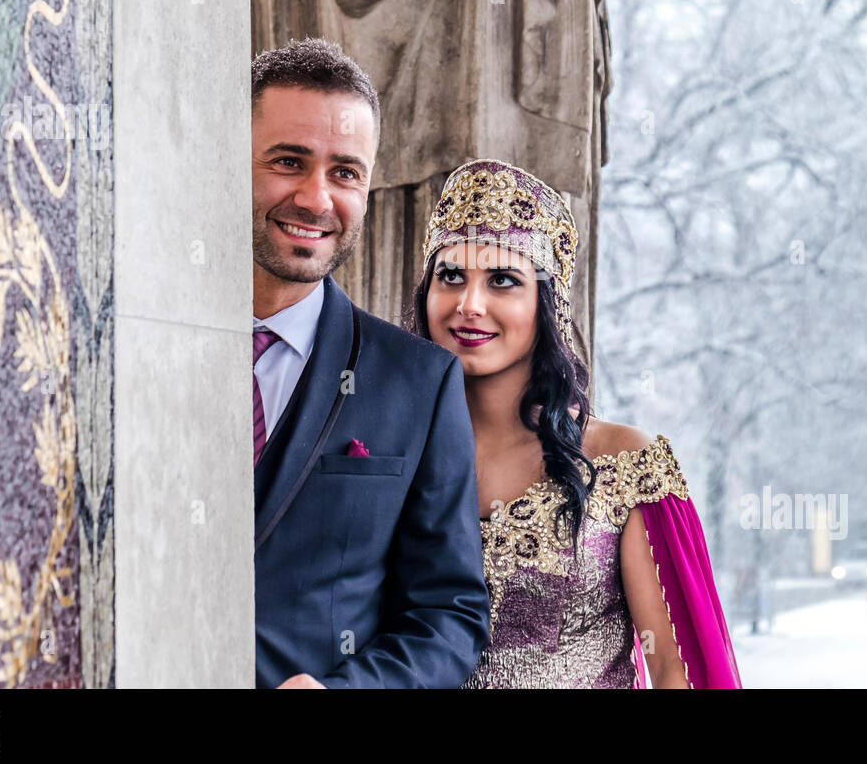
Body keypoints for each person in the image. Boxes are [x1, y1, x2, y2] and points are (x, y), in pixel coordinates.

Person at [406, 158, 742, 688]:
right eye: (451, 276)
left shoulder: (623, 462)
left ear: (548, 306)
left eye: (502, 280)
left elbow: (676, 670)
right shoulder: (391, 451)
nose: (469, 305)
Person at [251, 39, 489, 688]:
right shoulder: (129, 349)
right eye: (288, 161)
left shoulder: (420, 382)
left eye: (345, 173)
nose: (316, 198)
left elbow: (451, 614)